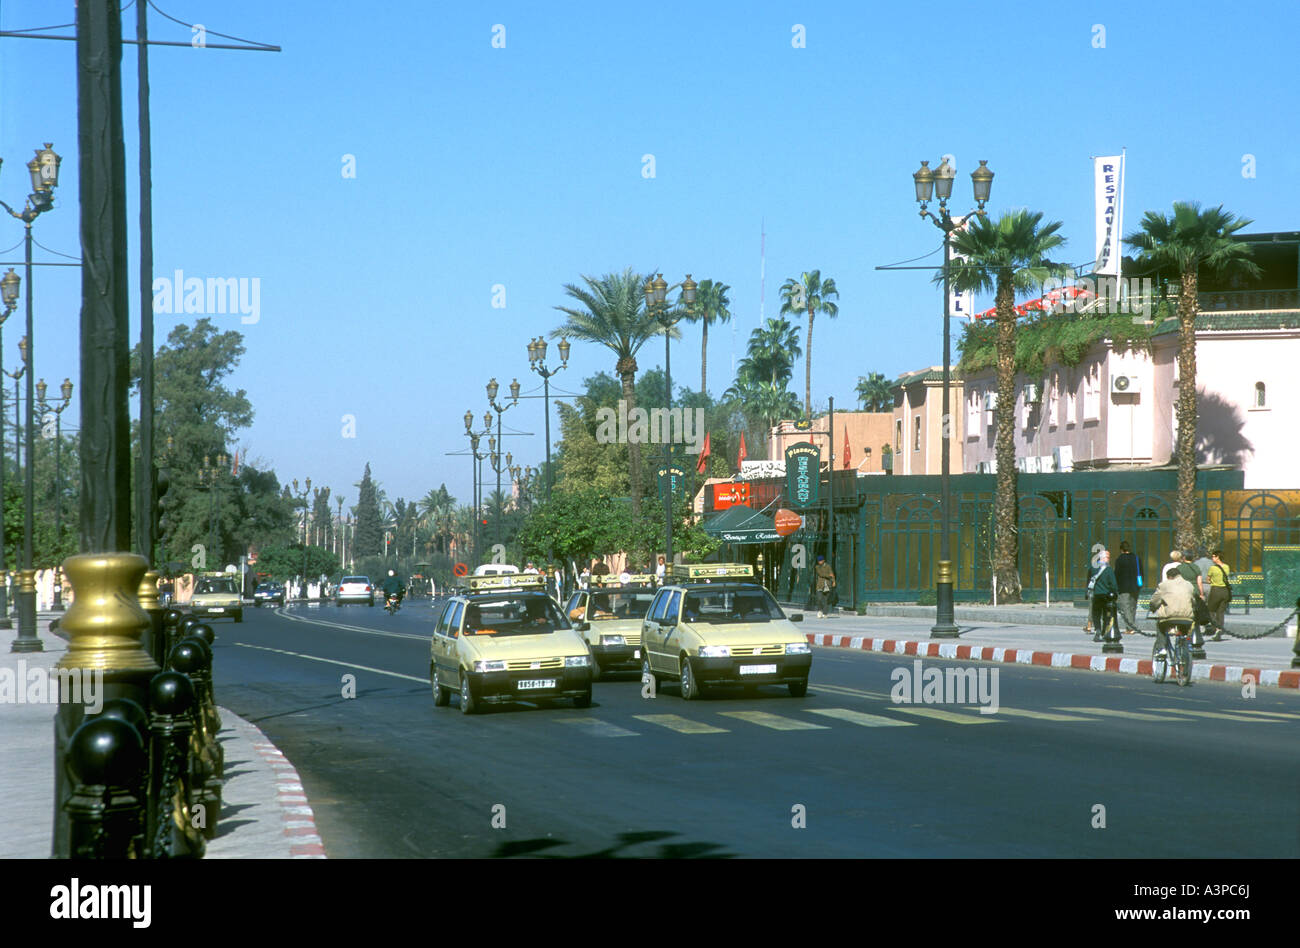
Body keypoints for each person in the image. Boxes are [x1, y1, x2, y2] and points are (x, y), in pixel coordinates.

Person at [1147, 566, 1196, 671]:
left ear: (1169, 577)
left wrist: (1152, 608)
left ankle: (1162, 648)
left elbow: (1155, 600)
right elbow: (1193, 601)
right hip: (1187, 618)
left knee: (1160, 626)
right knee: (1184, 632)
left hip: (1169, 618)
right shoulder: (1189, 585)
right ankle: (1185, 647)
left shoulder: (1164, 585)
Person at [1113, 540, 1142, 634]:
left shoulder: (1119, 560)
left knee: (1126, 607)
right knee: (1133, 607)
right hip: (1135, 586)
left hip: (1123, 587)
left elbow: (1116, 574)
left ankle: (1130, 627)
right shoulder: (1137, 558)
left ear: (1121, 549)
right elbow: (1141, 572)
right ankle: (1132, 625)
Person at [1090, 549, 1118, 642]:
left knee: (1096, 614)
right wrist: (1115, 593)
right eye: (1107, 557)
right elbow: (1113, 584)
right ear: (1102, 558)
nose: (1109, 559)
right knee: (1106, 615)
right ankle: (1104, 632)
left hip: (1096, 595)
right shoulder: (1108, 569)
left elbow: (1089, 580)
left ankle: (1097, 630)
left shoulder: (1093, 568)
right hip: (1106, 595)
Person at [1206, 549, 1232, 640]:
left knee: (1210, 610)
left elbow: (1208, 579)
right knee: (1220, 612)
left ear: (1218, 557)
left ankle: (1216, 627)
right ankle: (1219, 628)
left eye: (1213, 556)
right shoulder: (1227, 567)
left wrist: (1211, 581)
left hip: (1216, 590)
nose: (1212, 558)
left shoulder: (1212, 568)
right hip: (1225, 591)